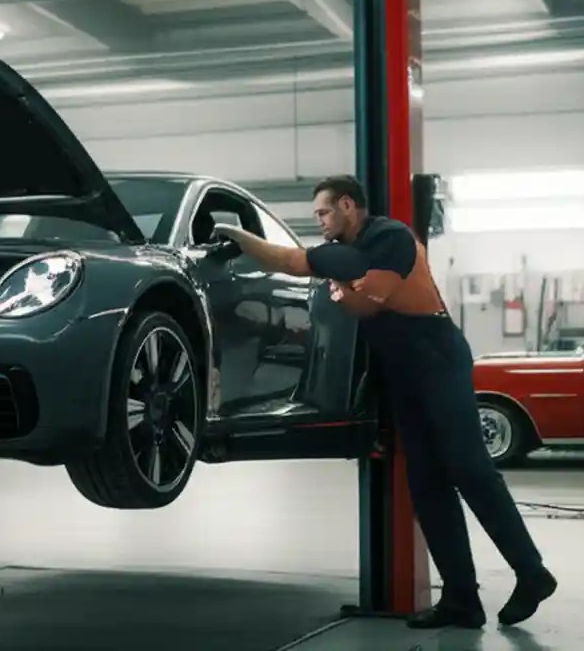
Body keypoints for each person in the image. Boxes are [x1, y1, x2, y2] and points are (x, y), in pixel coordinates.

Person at [212, 175, 556, 629]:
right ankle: (461, 599)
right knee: (427, 485)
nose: (320, 221)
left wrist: (247, 240)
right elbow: (324, 282)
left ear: (348, 205)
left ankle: (532, 573)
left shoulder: (391, 237)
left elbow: (364, 299)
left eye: (323, 212)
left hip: (437, 356)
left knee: (471, 469)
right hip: (402, 370)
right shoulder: (346, 254)